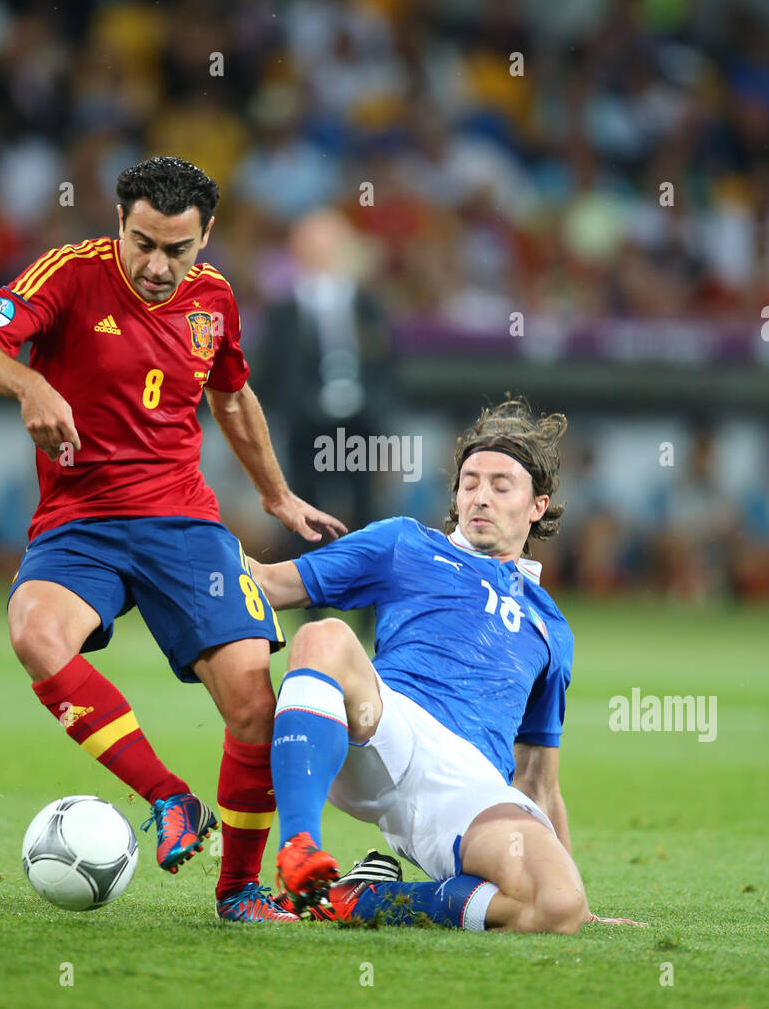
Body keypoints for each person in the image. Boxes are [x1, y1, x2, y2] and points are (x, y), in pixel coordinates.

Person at [0, 155, 345, 924]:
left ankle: (240, 892)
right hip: (80, 522)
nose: (156, 265)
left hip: (184, 524)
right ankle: (169, 796)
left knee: (255, 701)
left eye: (175, 250)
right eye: (142, 243)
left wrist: (277, 495)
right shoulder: (68, 274)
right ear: (119, 224)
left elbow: (232, 396)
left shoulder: (216, 297)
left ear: (206, 237)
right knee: (35, 633)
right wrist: (30, 382)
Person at [251, 398, 642, 933]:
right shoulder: (404, 543)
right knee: (325, 637)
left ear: (537, 505)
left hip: (468, 789)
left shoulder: (552, 627)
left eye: (502, 485)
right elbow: (271, 584)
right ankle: (298, 849)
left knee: (555, 907)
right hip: (385, 727)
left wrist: (578, 894)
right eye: (470, 482)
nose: (481, 496)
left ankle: (358, 900)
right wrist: (187, 537)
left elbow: (537, 781)